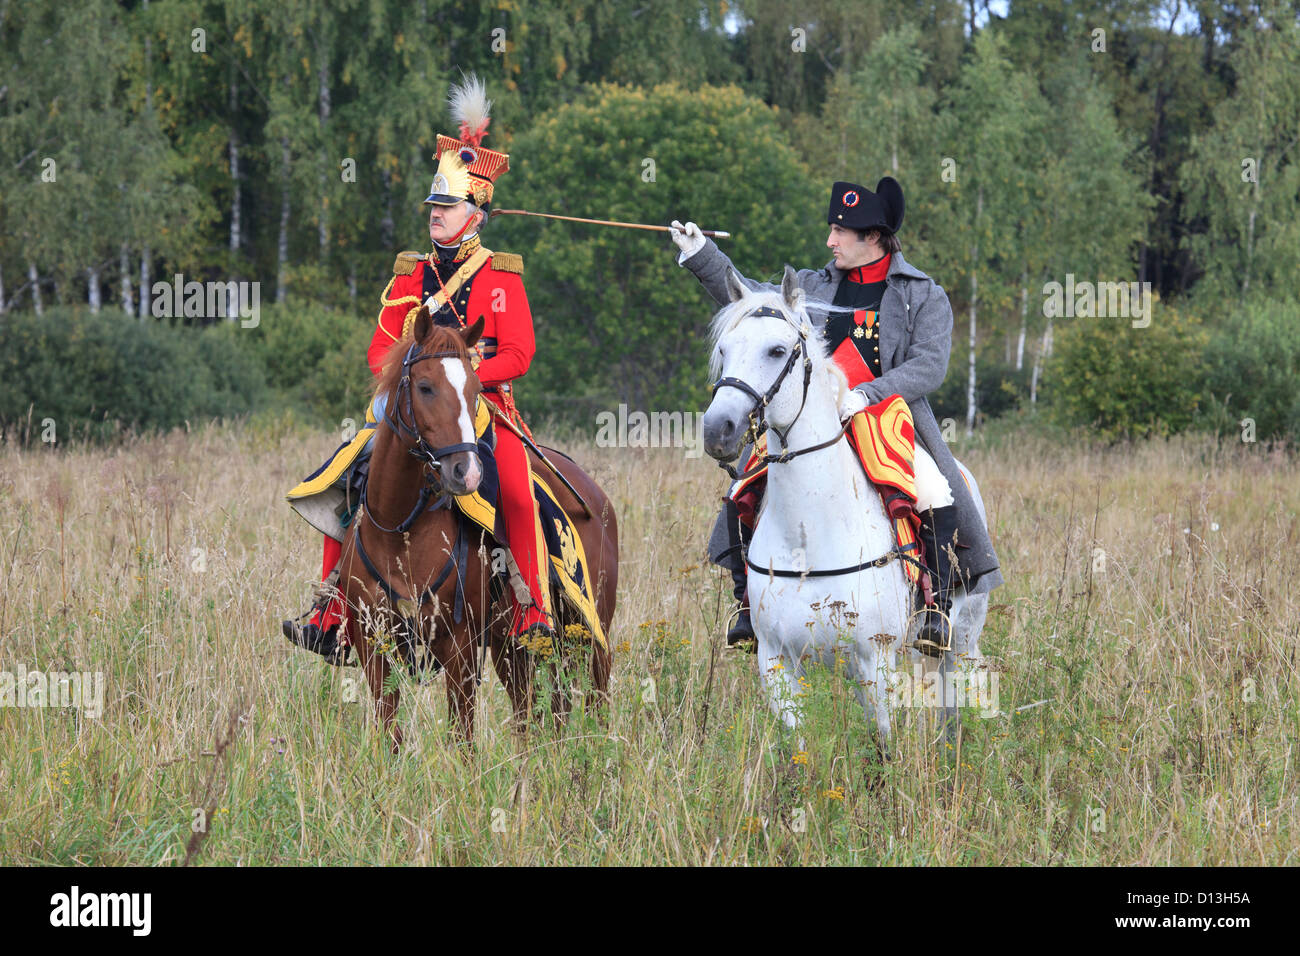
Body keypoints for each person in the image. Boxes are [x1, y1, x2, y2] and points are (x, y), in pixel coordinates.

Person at [283, 74, 555, 662]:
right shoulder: (410, 272)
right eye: (432, 205)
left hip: (481, 407)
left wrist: (467, 373)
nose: (435, 214)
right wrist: (414, 370)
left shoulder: (500, 275)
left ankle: (530, 605)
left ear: (475, 214)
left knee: (515, 485)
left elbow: (520, 353)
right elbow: (380, 347)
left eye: (447, 205)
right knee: (349, 471)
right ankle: (330, 607)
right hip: (410, 406)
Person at [669, 177, 1002, 655]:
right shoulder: (810, 285)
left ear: (872, 237)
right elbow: (754, 299)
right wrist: (702, 255)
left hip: (887, 416)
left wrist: (868, 394)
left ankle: (935, 605)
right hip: (811, 419)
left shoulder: (923, 294)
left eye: (839, 233)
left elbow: (929, 367)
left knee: (935, 487)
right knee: (745, 483)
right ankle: (748, 602)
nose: (830, 242)